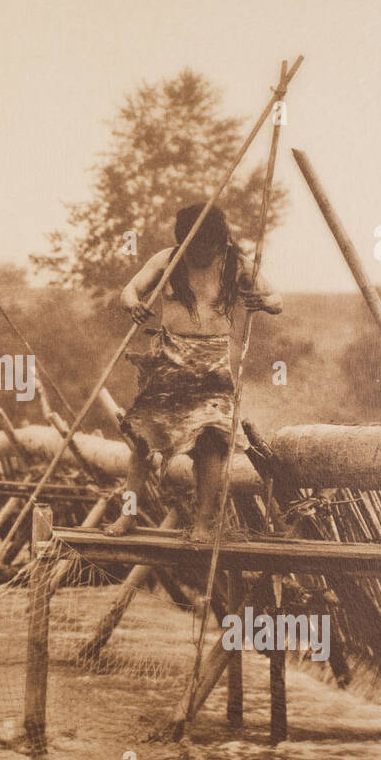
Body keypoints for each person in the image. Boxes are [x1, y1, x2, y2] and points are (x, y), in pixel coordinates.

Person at [104, 202, 282, 542]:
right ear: (185, 240)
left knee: (211, 447)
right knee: (141, 443)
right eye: (194, 245)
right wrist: (134, 306)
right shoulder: (168, 259)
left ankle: (202, 524)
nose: (201, 252)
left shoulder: (236, 264)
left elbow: (276, 297)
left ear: (220, 241)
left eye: (208, 245)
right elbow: (130, 290)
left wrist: (266, 303)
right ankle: (127, 515)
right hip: (170, 359)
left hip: (212, 365)